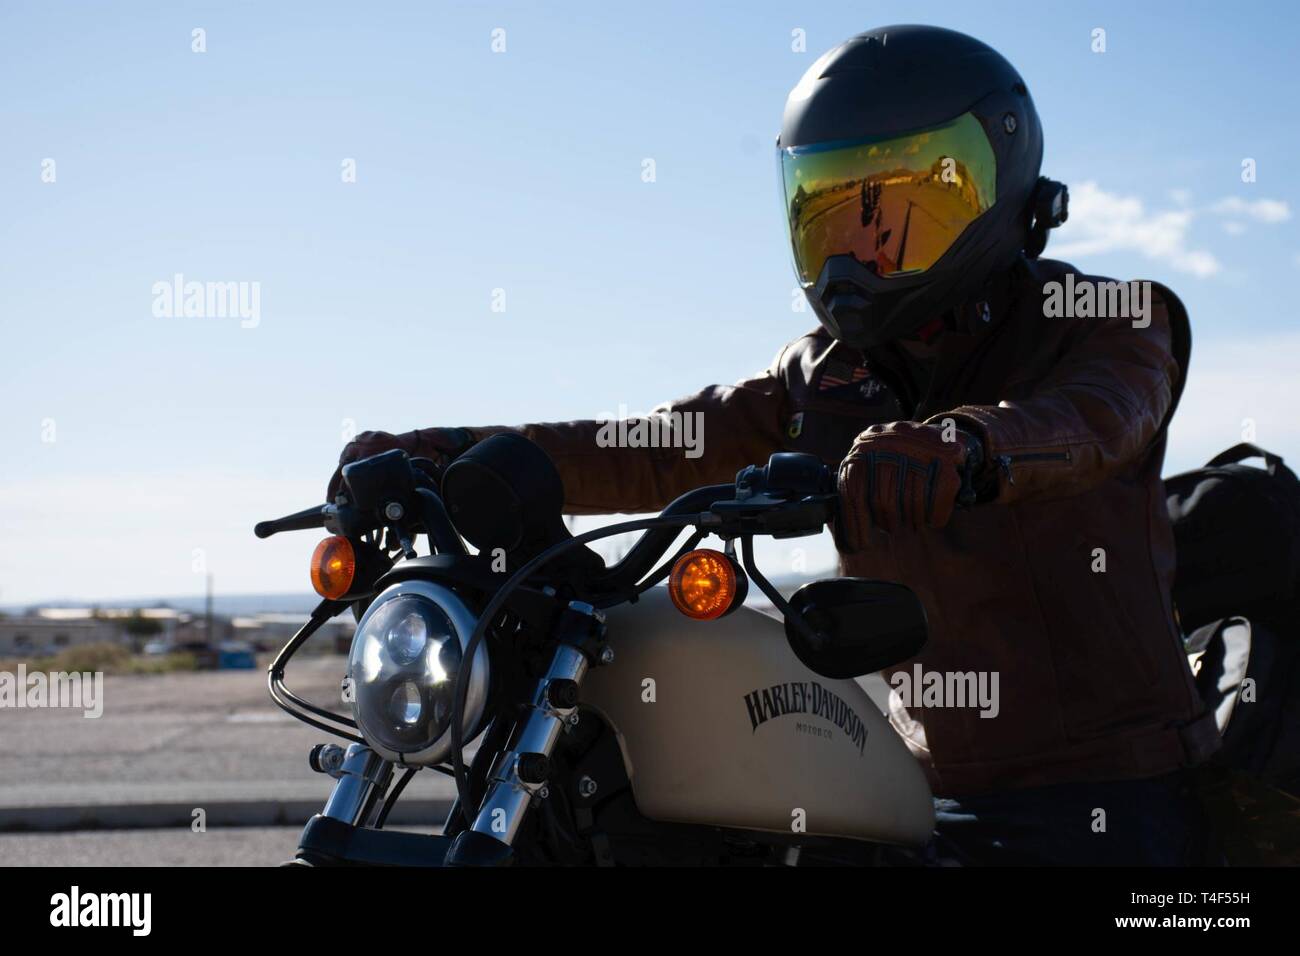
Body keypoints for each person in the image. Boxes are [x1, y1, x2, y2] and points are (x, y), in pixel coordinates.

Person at [333, 25, 1219, 865]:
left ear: (994, 194)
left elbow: (1097, 420)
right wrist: (450, 453)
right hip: (906, 783)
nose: (856, 259)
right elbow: (652, 445)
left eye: (895, 218)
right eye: (833, 222)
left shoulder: (1107, 318)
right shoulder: (826, 378)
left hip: (1103, 790)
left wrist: (968, 447)